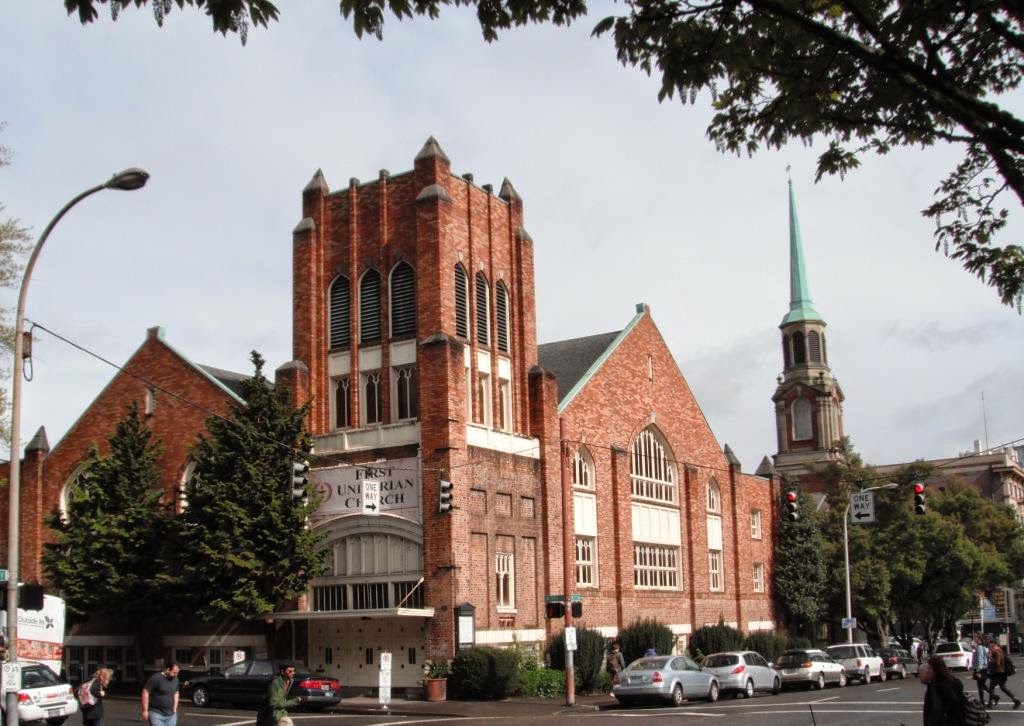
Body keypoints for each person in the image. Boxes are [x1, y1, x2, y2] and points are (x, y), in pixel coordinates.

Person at [920, 656, 967, 726]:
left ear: (936, 669)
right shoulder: (952, 680)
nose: (928, 671)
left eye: (930, 668)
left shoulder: (937, 685)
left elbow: (936, 710)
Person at [987, 641, 1021, 708]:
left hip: (998, 673)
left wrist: (990, 657)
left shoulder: (997, 652)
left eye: (991, 647)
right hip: (1002, 673)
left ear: (994, 646)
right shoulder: (1000, 651)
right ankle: (1015, 700)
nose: (990, 648)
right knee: (1003, 688)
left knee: (991, 688)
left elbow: (997, 663)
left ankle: (990, 703)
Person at [973, 635, 990, 706]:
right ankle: (994, 697)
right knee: (982, 685)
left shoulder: (979, 647)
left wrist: (978, 671)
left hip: (981, 669)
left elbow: (980, 659)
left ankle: (982, 702)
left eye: (975, 637)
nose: (974, 639)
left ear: (979, 638)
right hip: (984, 668)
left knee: (980, 686)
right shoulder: (984, 647)